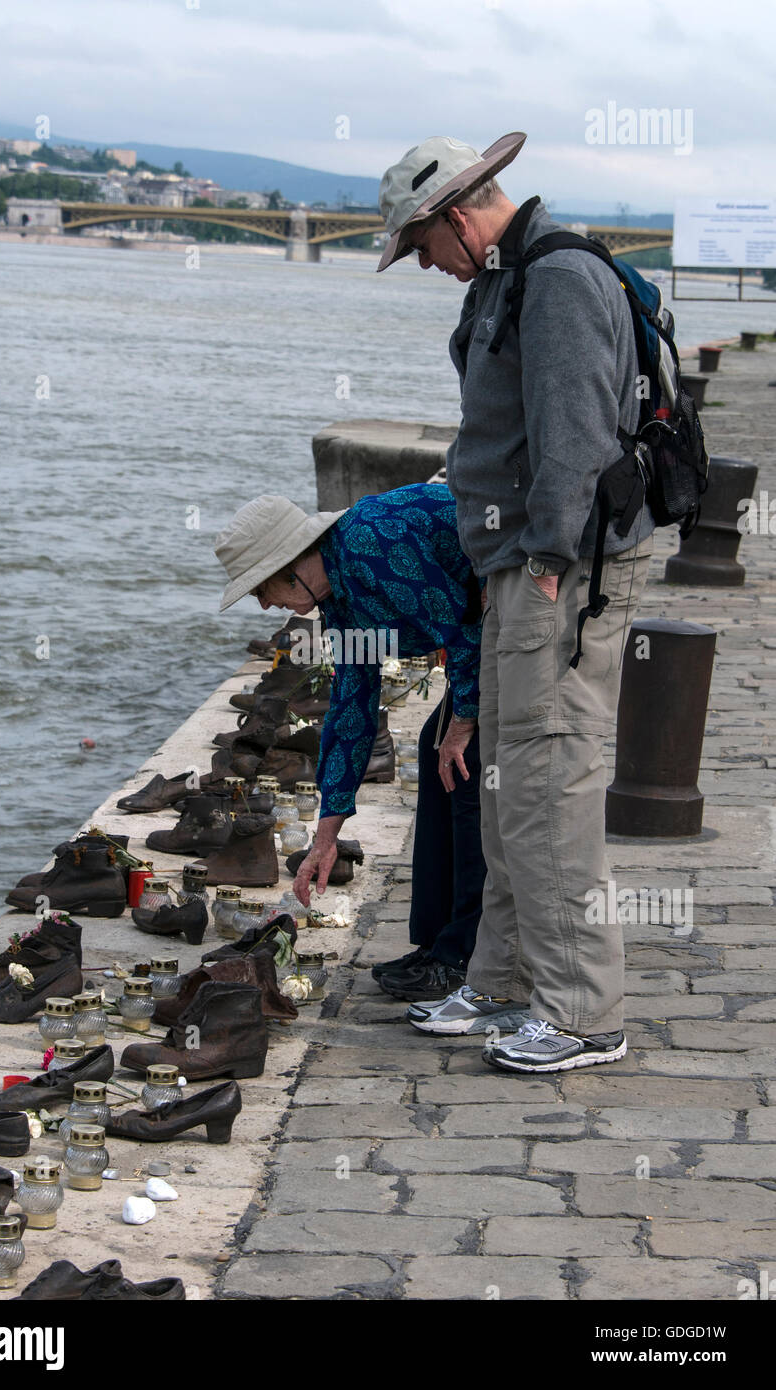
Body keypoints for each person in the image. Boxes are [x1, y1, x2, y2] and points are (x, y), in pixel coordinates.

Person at [376, 133, 653, 1072]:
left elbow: (574, 432)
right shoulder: (508, 273)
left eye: (421, 245)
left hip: (555, 572)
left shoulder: (558, 278)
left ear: (457, 214)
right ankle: (503, 983)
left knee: (549, 787)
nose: (425, 265)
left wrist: (542, 560)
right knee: (506, 787)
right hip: (518, 567)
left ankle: (581, 1014)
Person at [214, 484, 485, 999]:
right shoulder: (339, 594)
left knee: (466, 765)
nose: (268, 606)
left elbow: (462, 628)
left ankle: (466, 956)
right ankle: (436, 944)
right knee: (436, 755)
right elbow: (353, 706)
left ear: (292, 564)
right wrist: (326, 833)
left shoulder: (367, 551)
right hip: (477, 622)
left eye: (261, 590)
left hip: (524, 599)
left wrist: (464, 722)